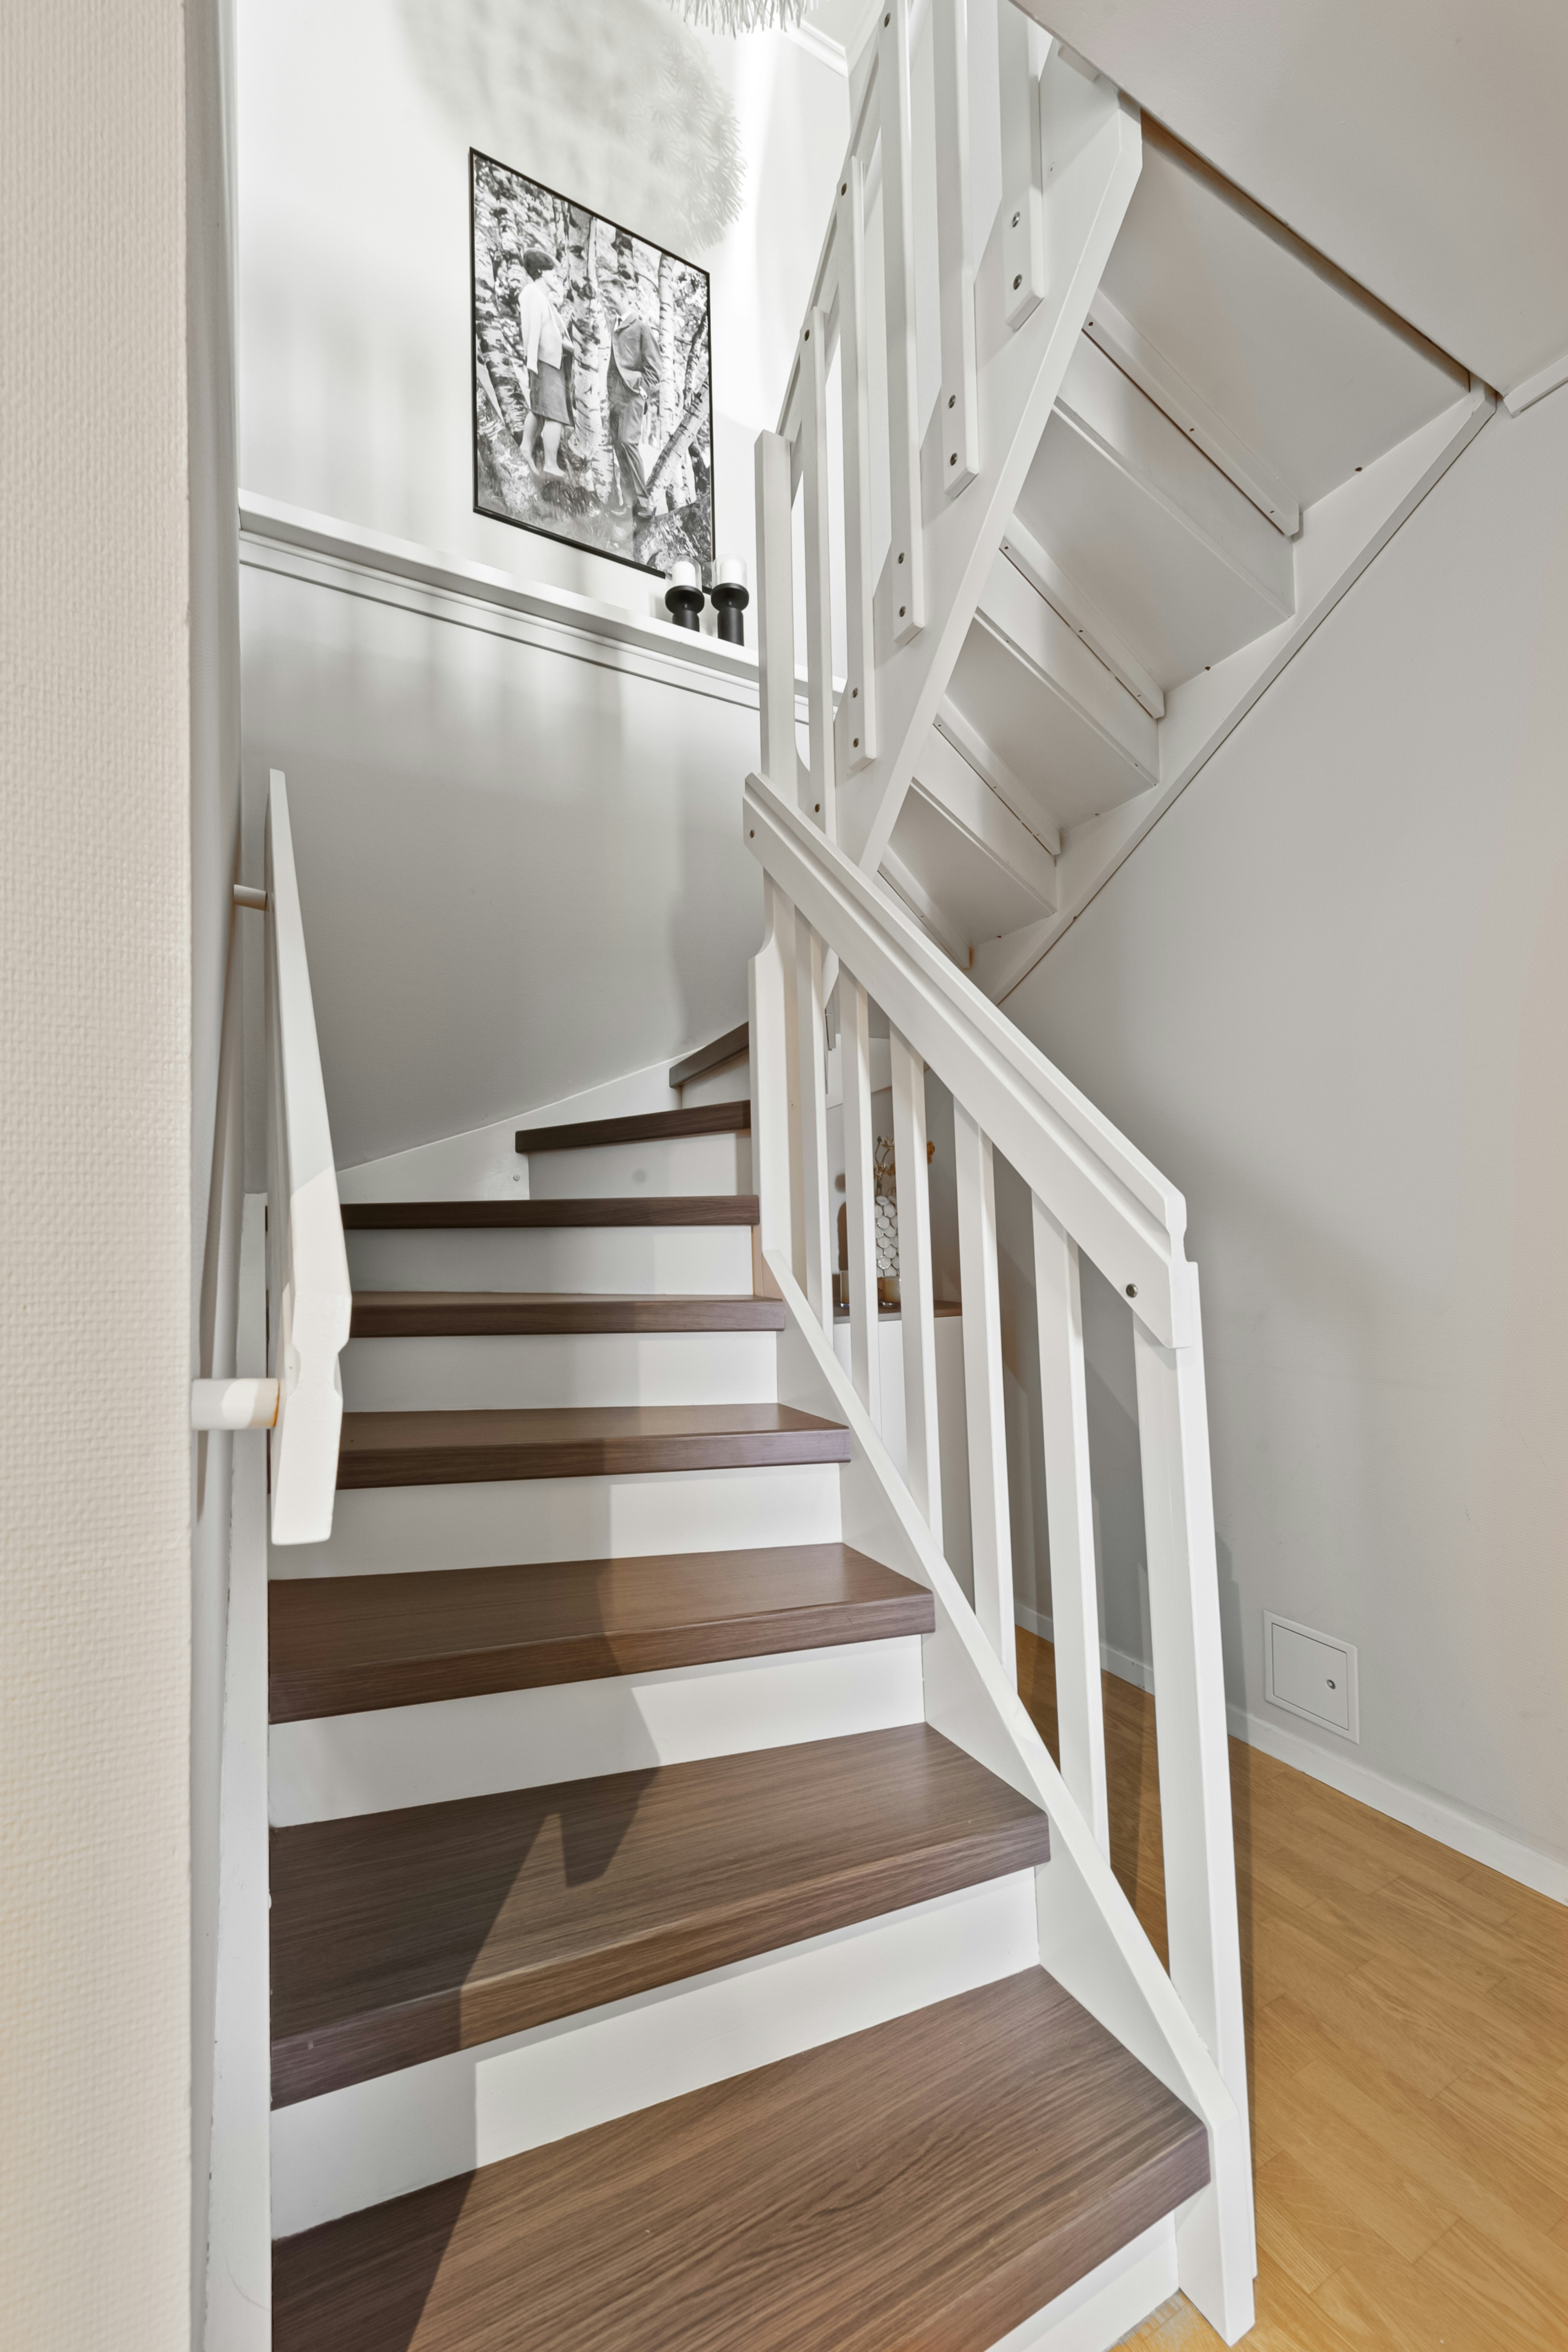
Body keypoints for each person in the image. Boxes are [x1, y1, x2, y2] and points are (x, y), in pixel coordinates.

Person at [605, 279, 663, 516]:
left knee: (629, 442)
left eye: (609, 294)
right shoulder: (608, 325)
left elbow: (655, 369)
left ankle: (644, 504)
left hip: (632, 396)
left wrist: (643, 391)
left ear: (622, 295)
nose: (606, 298)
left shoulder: (641, 328)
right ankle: (629, 505)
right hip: (611, 396)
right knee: (619, 447)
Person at [514, 247, 569, 480]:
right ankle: (550, 464)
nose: (556, 277)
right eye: (552, 272)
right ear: (540, 272)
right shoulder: (533, 294)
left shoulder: (542, 298)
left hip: (549, 363)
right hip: (544, 364)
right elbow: (533, 330)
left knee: (539, 410)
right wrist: (532, 364)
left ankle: (527, 448)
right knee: (556, 415)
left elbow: (551, 335)